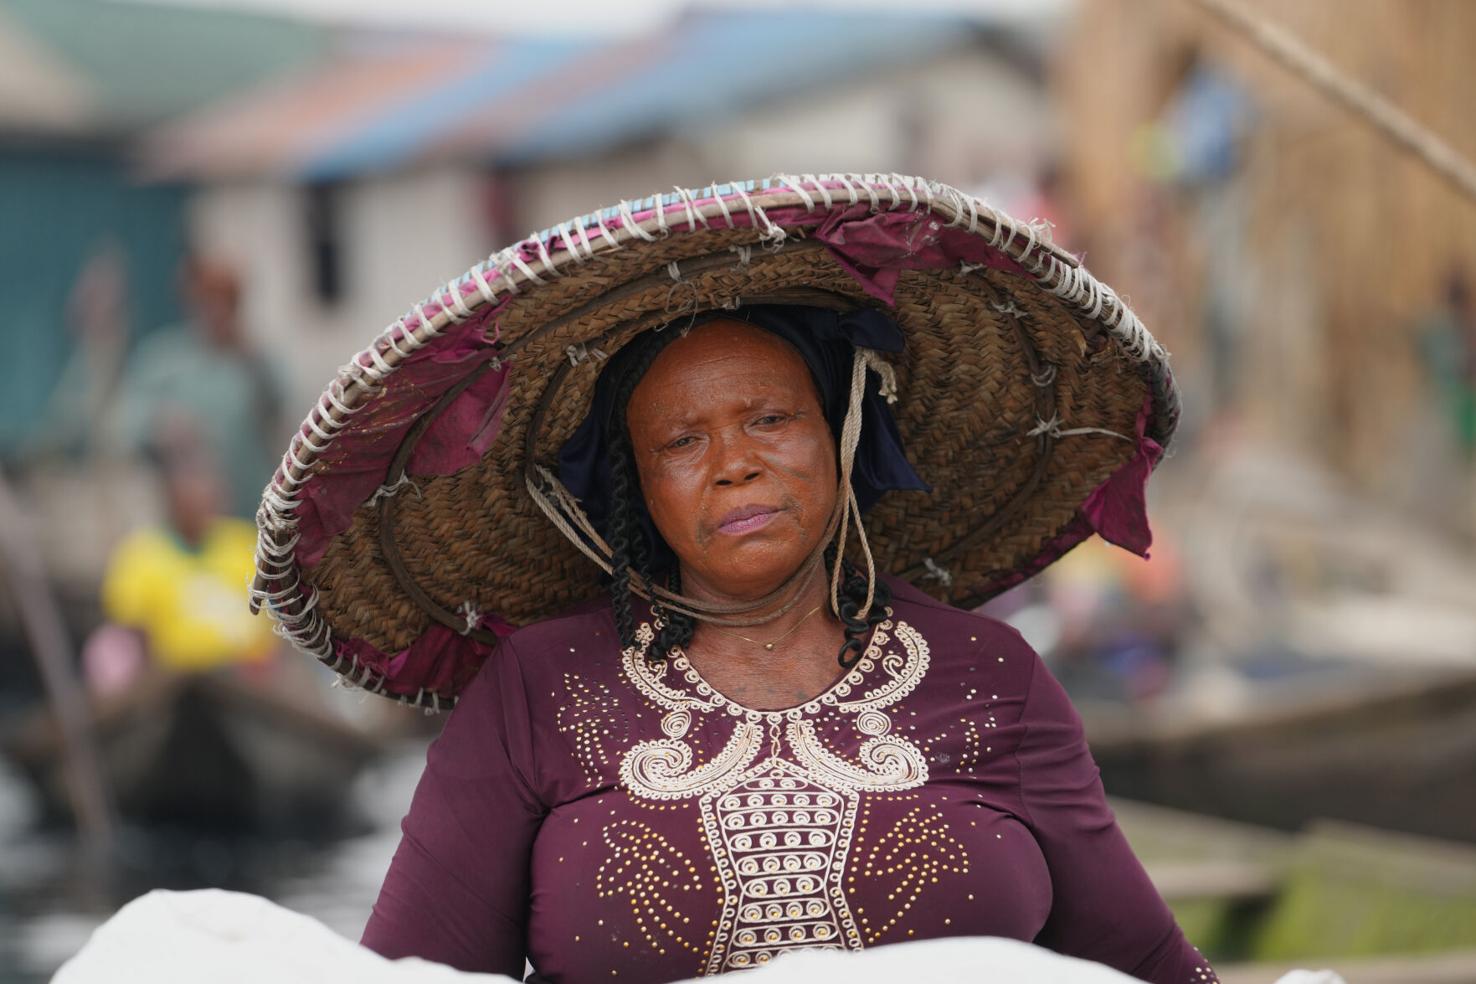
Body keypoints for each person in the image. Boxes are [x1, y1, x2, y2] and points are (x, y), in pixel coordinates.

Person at [249, 175, 1218, 983]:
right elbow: (411, 975)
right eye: (681, 442)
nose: (734, 465)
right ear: (636, 488)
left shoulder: (990, 673)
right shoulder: (536, 690)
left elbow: (1146, 965)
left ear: (843, 434)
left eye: (770, 419)